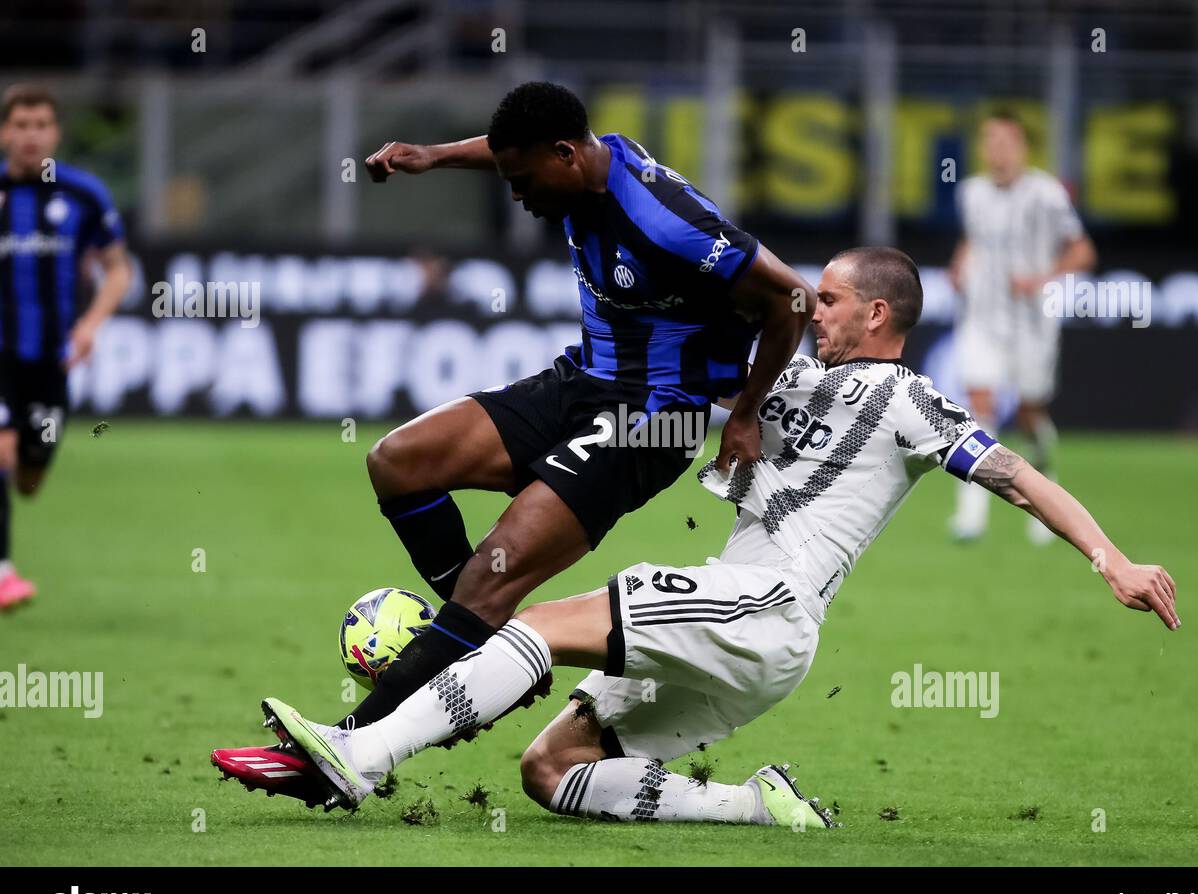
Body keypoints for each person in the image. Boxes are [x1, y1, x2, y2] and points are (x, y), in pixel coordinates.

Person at [228, 247, 1179, 825]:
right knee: (550, 770)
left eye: (832, 300)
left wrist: (1110, 557)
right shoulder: (786, 382)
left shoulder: (911, 399)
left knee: (542, 623)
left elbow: (1017, 477)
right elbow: (683, 373)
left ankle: (366, 754)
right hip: (746, 636)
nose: (813, 310)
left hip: (769, 603)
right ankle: (753, 804)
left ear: (878, 313)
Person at [213, 80, 812, 789]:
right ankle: (476, 645)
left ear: (563, 156)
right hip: (584, 381)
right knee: (400, 461)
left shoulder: (663, 218)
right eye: (507, 174)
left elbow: (791, 297)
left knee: (495, 567)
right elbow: (507, 152)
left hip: (658, 414)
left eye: (523, 180)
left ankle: (351, 748)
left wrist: (744, 412)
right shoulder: (579, 162)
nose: (518, 195)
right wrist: (431, 156)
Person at [0, 83, 131, 609]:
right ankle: (4, 571)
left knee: (28, 478)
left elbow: (118, 269)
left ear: (54, 132)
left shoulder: (83, 194)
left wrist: (90, 325)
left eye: (41, 125)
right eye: (21, 125)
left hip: (52, 361)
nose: (31, 136)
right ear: (6, 131)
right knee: (2, 449)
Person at [948, 110, 1096, 544]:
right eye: (989, 142)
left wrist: (1042, 278)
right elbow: (974, 239)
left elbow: (1083, 251)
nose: (997, 151)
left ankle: (1046, 486)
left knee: (1031, 414)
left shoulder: (1046, 194)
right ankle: (971, 513)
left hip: (1033, 324)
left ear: (1022, 148)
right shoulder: (971, 193)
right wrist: (960, 266)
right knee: (979, 405)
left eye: (1005, 142)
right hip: (982, 318)